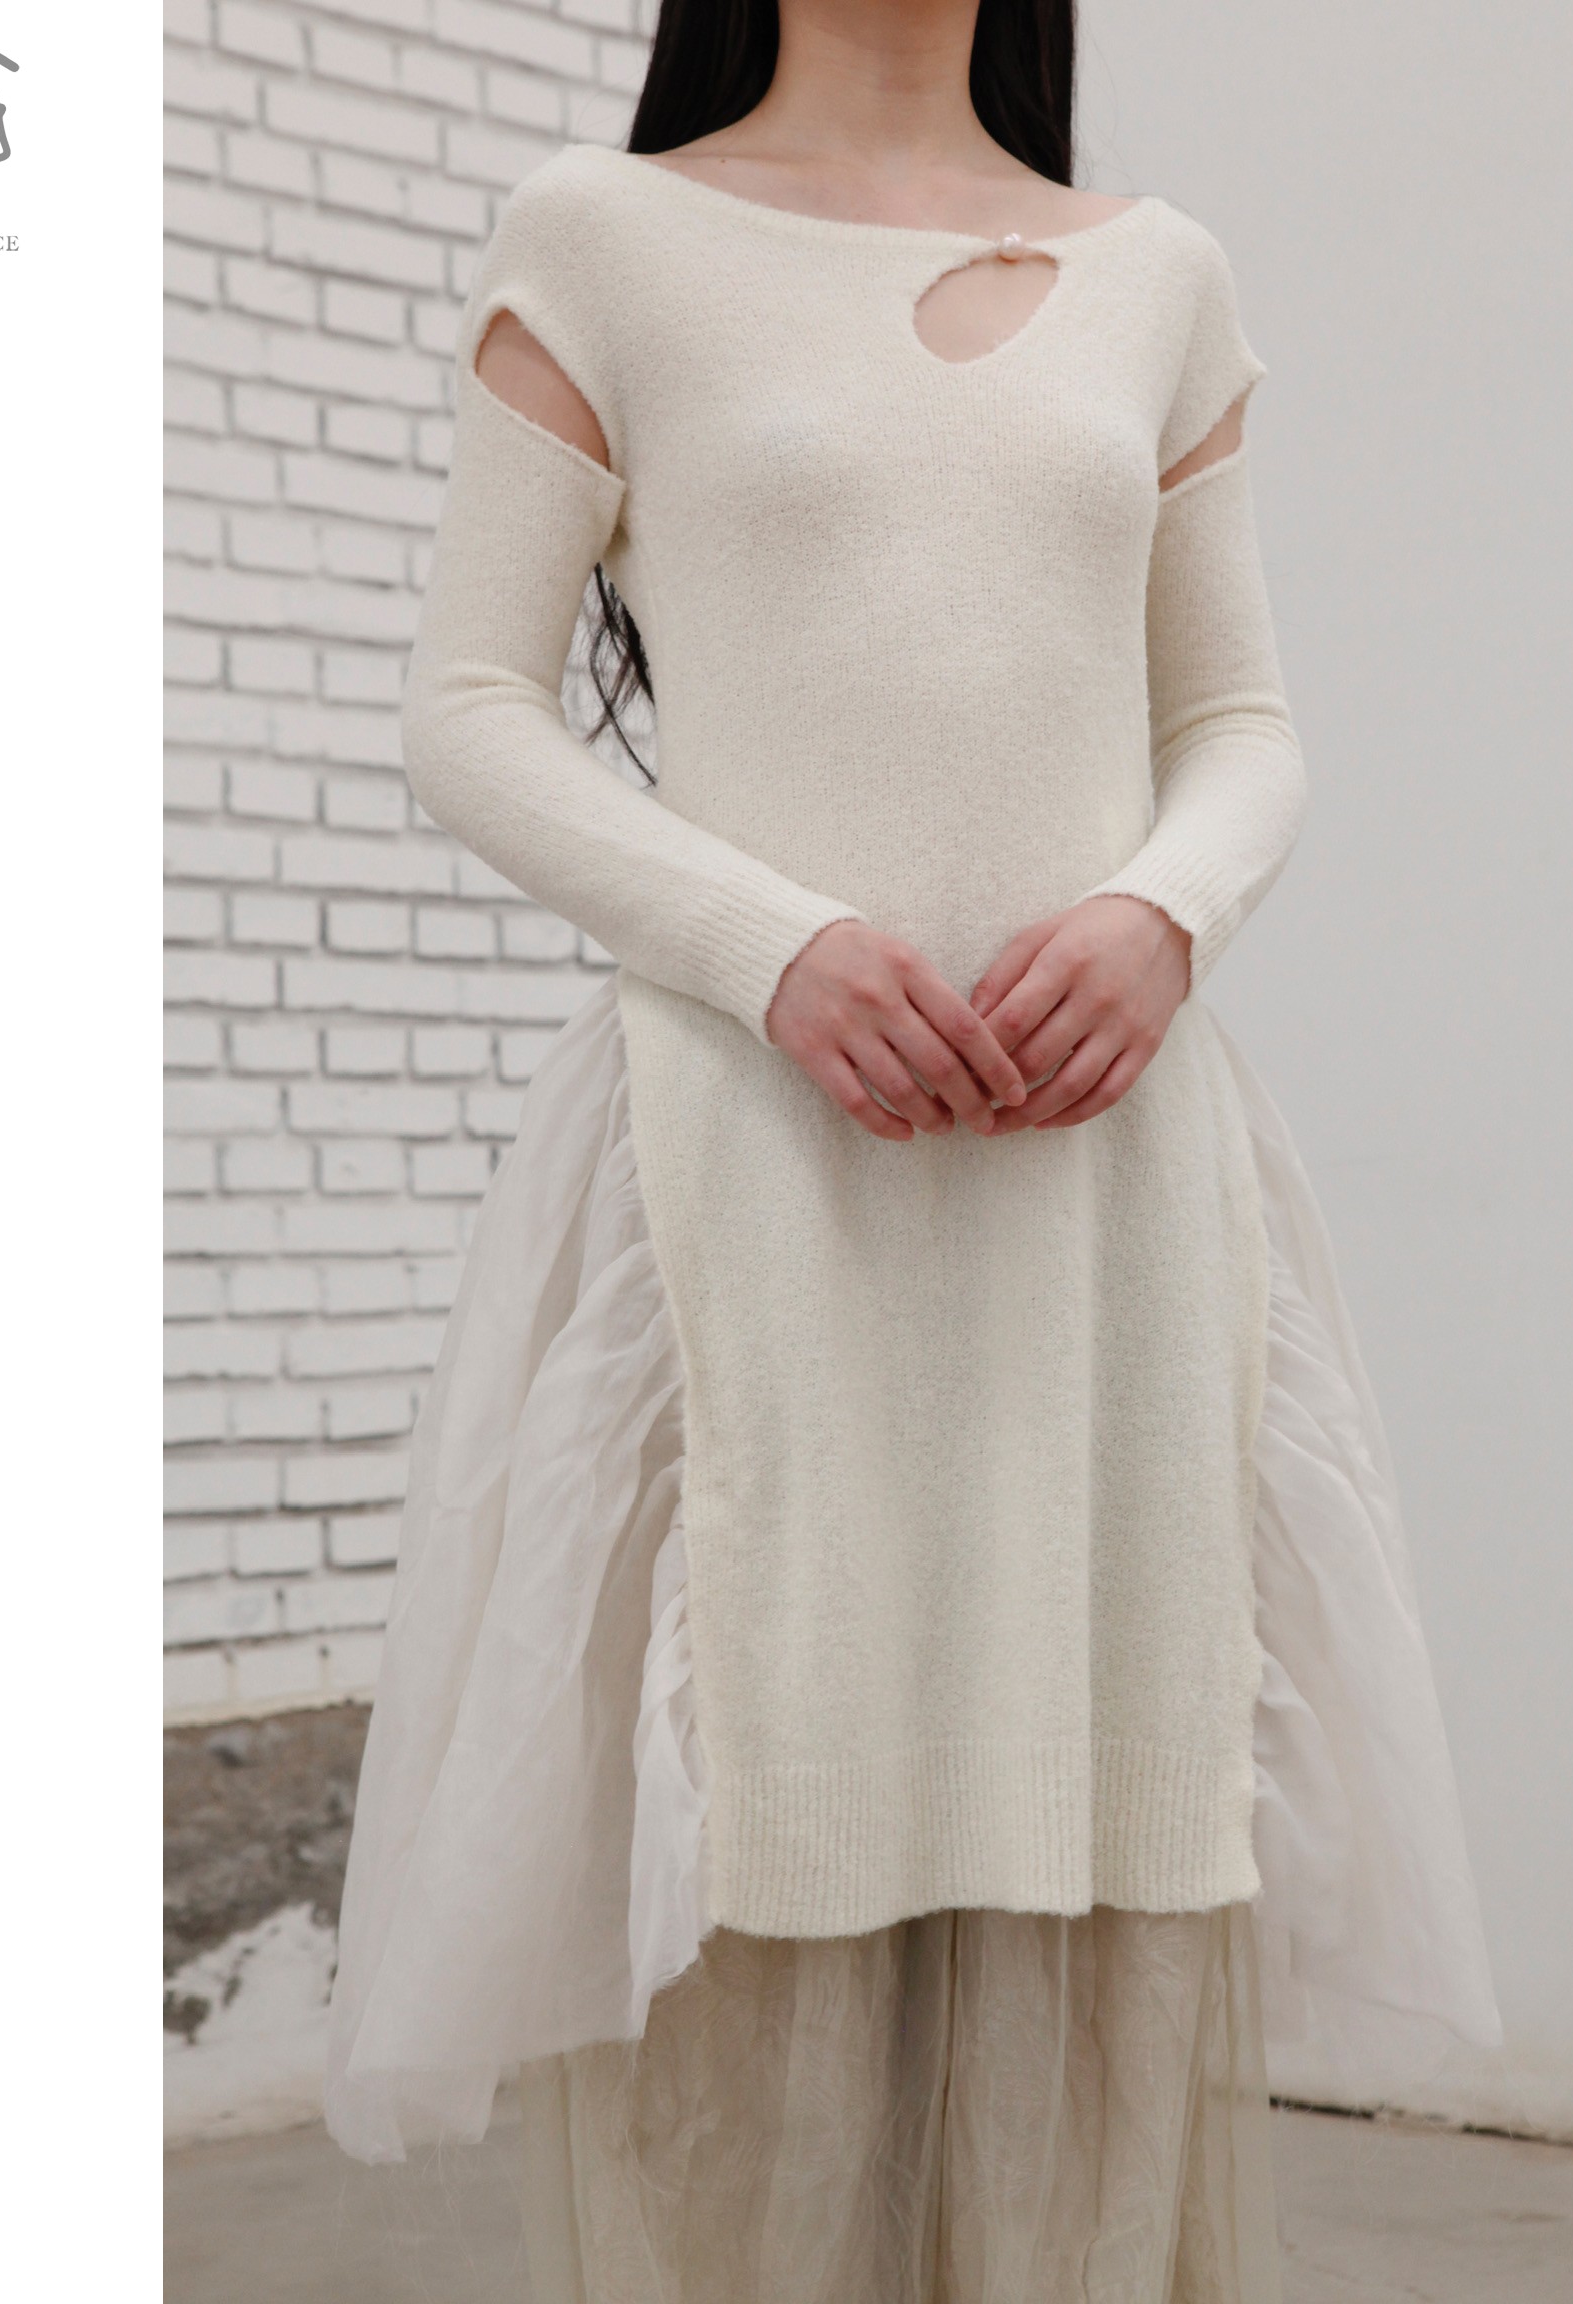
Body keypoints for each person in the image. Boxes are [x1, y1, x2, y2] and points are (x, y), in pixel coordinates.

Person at [325, 2, 1499, 2294]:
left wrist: (1165, 916)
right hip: (749, 1175)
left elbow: (1239, 720)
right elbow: (468, 710)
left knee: (1100, 1820)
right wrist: (767, 947)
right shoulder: (607, 239)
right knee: (772, 1812)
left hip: (1102, 1194)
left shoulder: (1158, 276)